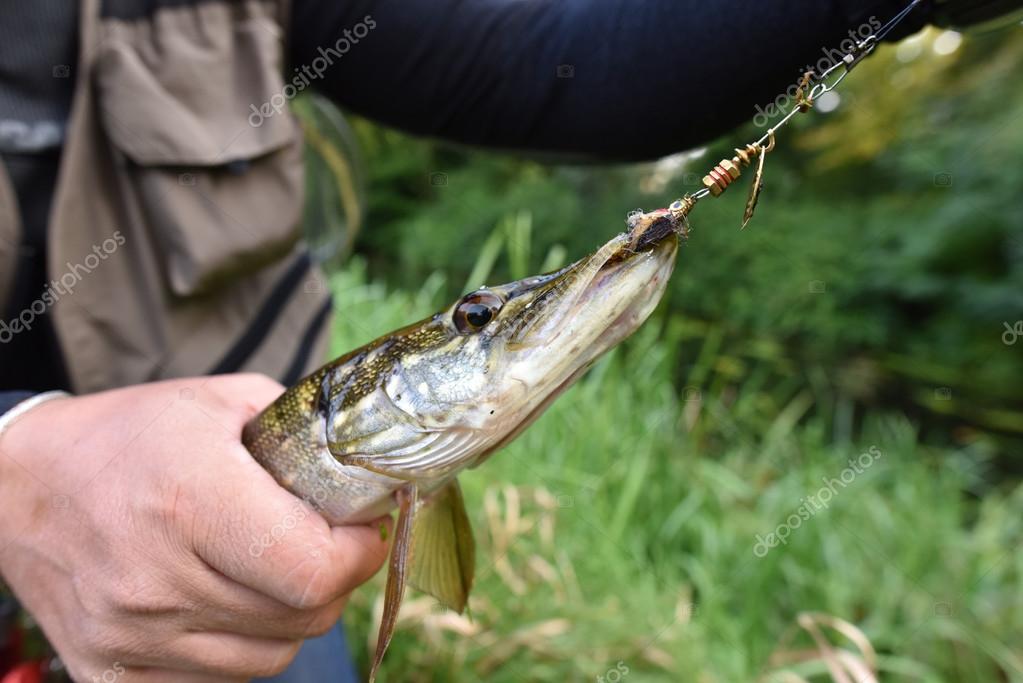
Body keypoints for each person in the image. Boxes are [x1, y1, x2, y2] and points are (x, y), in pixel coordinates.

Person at [0, 0, 1005, 680]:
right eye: (474, 322)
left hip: (251, 550)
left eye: (474, 320)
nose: (492, 324)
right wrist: (19, 463)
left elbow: (562, 63)